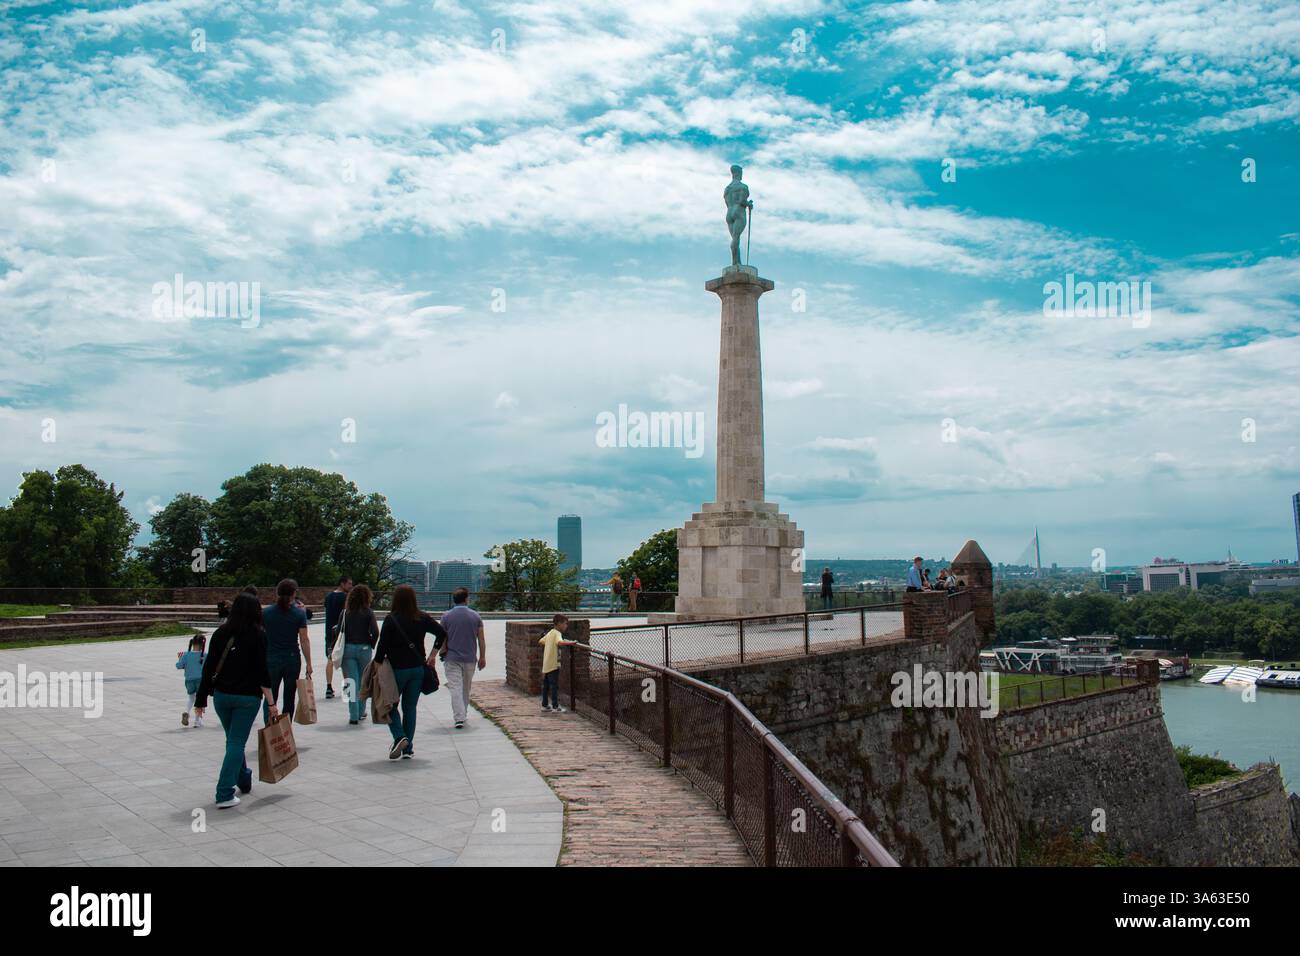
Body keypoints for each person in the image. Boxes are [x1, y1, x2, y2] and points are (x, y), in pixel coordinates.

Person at [194, 593, 277, 809]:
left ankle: (244, 778)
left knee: (233, 740)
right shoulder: (259, 635)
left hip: (222, 697)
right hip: (247, 698)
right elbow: (262, 672)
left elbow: (209, 666)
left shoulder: (221, 633)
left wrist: (200, 699)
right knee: (236, 742)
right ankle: (224, 793)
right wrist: (271, 703)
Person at [373, 584, 445, 758]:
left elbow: (381, 647)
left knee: (389, 704)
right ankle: (408, 749)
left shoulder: (391, 619)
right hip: (418, 668)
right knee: (410, 708)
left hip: (397, 670)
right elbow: (441, 633)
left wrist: (376, 668)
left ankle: (400, 736)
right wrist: (433, 655)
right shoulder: (421, 617)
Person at [262, 578, 312, 722]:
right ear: (293, 593)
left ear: (277, 592)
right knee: (289, 697)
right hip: (292, 658)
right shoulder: (299, 614)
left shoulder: (266, 613)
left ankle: (270, 728)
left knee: (271, 696)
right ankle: (286, 732)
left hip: (271, 657)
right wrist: (309, 663)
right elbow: (304, 639)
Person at [439, 586, 486, 729]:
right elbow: (481, 639)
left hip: (452, 657)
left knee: (455, 688)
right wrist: (482, 657)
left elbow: (442, 637)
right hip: (470, 658)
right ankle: (462, 714)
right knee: (466, 688)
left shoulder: (446, 616)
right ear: (466, 599)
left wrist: (442, 651)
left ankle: (459, 716)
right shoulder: (476, 616)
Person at [340, 583, 380, 725]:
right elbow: (375, 632)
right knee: (364, 682)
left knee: (351, 682)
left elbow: (338, 631)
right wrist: (371, 643)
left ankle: (353, 715)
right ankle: (362, 711)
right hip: (364, 649)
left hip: (348, 649)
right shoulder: (368, 612)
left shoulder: (345, 612)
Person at [539, 614, 576, 713]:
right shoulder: (557, 633)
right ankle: (555, 706)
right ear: (559, 624)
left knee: (546, 685)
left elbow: (541, 641)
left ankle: (545, 705)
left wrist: (550, 644)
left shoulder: (550, 633)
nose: (566, 626)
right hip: (553, 664)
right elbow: (560, 642)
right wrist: (570, 643)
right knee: (554, 685)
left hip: (546, 663)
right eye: (565, 624)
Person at [323, 576, 352, 699]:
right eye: (349, 583)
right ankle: (347, 689)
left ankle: (329, 687)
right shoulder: (345, 597)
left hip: (329, 631)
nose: (351, 586)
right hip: (341, 631)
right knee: (345, 660)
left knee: (330, 658)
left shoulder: (329, 596)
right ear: (342, 583)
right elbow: (347, 613)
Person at [175, 635, 207, 728]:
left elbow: (179, 666)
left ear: (192, 644)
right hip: (200, 680)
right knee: (199, 700)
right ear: (202, 644)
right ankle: (197, 721)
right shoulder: (205, 655)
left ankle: (186, 712)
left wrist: (181, 660)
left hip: (189, 680)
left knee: (191, 698)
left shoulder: (186, 655)